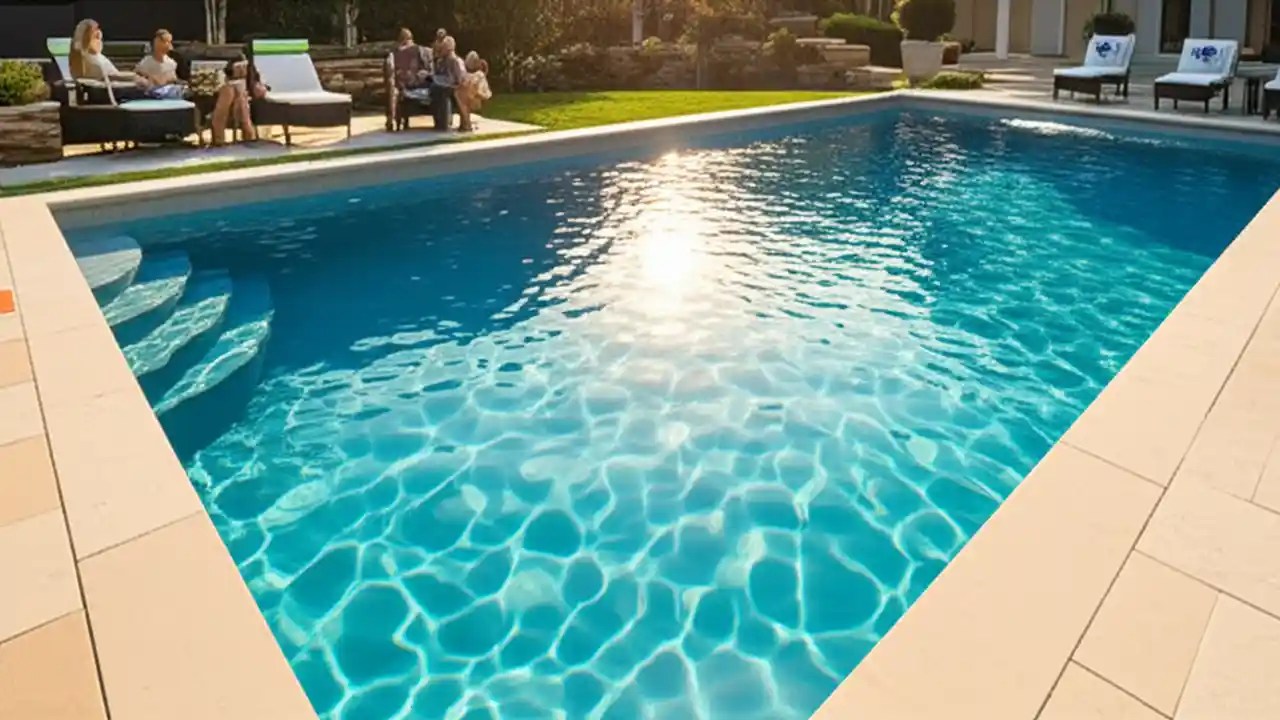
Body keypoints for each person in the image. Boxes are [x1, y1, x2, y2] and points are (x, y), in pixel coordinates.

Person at [69, 18, 147, 101]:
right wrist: (134, 77)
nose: (100, 41)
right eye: (96, 38)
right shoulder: (90, 60)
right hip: (107, 91)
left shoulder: (93, 56)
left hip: (108, 87)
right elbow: (110, 76)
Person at [208, 53, 263, 147]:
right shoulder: (224, 80)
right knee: (230, 92)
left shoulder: (251, 77)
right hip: (226, 100)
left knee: (240, 99)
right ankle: (248, 136)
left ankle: (219, 139)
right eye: (238, 67)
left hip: (242, 101)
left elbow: (259, 90)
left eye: (243, 66)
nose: (241, 70)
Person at [386, 27, 433, 131]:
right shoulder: (395, 54)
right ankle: (393, 119)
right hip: (400, 83)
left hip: (412, 82)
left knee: (395, 92)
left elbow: (425, 70)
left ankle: (393, 119)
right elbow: (392, 71)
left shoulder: (418, 51)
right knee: (394, 92)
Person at [134, 29, 187, 100]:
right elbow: (137, 75)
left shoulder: (171, 63)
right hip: (151, 94)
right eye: (164, 42)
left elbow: (173, 79)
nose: (168, 45)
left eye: (169, 42)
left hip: (167, 93)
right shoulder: (146, 62)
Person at [431, 36, 468, 131]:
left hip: (457, 87)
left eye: (443, 48)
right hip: (446, 85)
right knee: (435, 90)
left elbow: (460, 79)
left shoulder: (455, 61)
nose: (441, 50)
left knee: (441, 92)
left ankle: (444, 123)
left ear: (449, 48)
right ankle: (440, 122)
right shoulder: (443, 60)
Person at [456, 51, 492, 131]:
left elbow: (482, 91)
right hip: (470, 96)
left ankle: (466, 124)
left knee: (462, 97)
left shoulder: (479, 75)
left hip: (477, 97)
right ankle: (465, 123)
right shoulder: (468, 75)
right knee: (461, 96)